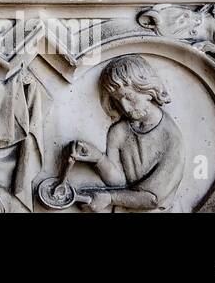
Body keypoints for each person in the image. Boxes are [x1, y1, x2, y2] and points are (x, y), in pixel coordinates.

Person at [68, 54, 184, 212]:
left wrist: (110, 198)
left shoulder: (170, 138)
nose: (125, 107)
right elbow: (119, 182)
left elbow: (153, 198)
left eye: (129, 97)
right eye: (117, 100)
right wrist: (98, 159)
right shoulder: (119, 131)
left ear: (148, 90)